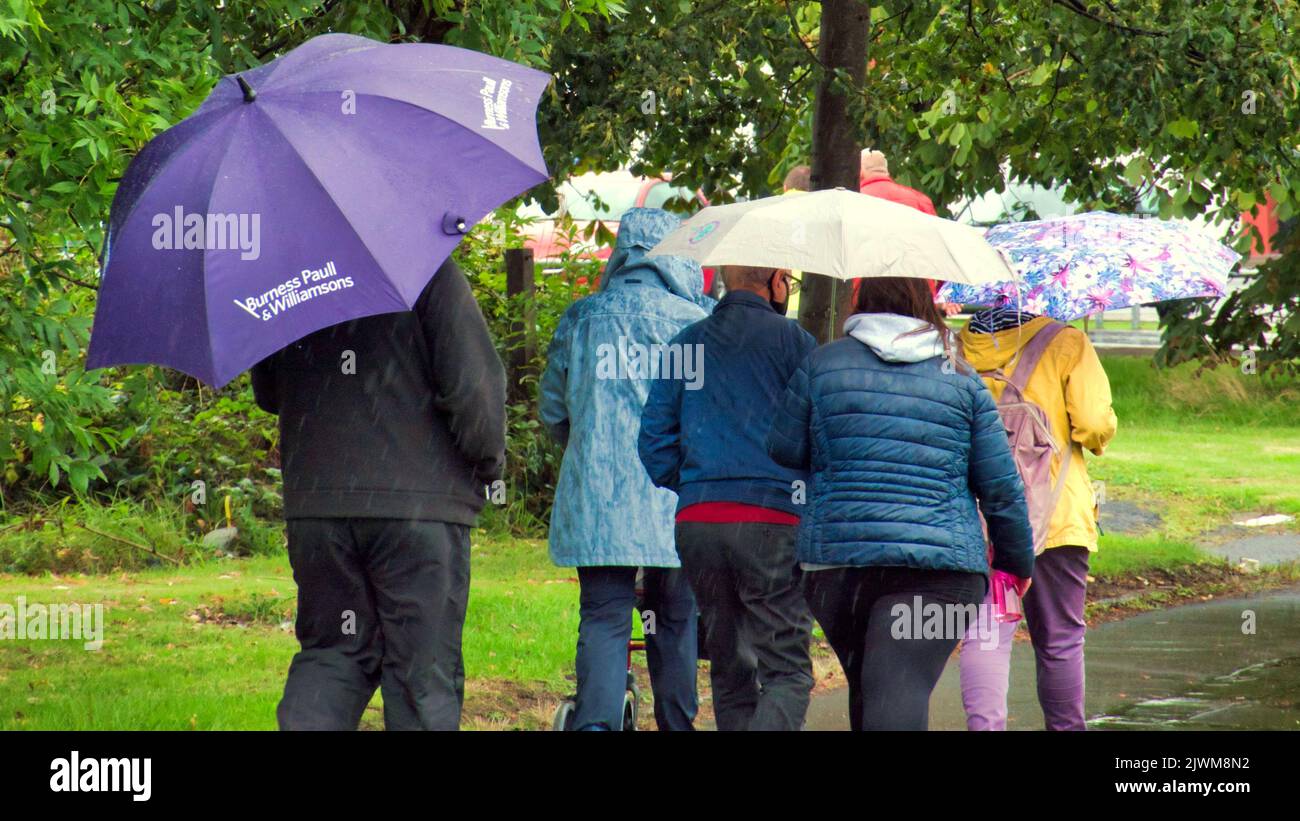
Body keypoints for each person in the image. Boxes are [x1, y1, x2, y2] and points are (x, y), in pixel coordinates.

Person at [767, 276, 1035, 731]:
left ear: (860, 299)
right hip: (941, 572)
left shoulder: (823, 364)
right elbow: (1000, 488)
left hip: (838, 565)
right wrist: (1016, 563)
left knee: (870, 687)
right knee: (898, 686)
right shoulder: (961, 379)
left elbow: (783, 448)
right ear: (925, 304)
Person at [251, 258, 506, 731]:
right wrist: (488, 465)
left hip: (319, 505)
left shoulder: (286, 273)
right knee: (420, 673)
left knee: (333, 654)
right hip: (420, 505)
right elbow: (474, 391)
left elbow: (269, 392)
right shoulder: (424, 266)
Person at [540, 207, 708, 731]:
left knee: (604, 616)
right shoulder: (695, 322)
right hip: (674, 503)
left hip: (599, 502)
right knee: (675, 621)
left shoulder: (582, 318)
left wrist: (590, 448)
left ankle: (595, 724)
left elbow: (552, 412)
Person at [639, 264, 818, 731]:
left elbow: (654, 440)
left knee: (729, 665)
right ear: (778, 281)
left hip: (698, 521)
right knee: (787, 670)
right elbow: (818, 434)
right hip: (772, 519)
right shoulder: (796, 343)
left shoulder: (685, 344)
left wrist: (697, 484)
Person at [956, 303, 1117, 731]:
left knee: (988, 632)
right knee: (1060, 640)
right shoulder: (1067, 341)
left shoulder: (957, 347)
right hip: (1056, 515)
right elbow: (1092, 424)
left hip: (981, 517)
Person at [858, 149, 962, 317]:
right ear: (886, 171)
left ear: (860, 171)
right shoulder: (920, 201)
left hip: (865, 298)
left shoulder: (854, 201)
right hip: (916, 297)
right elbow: (938, 249)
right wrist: (944, 292)